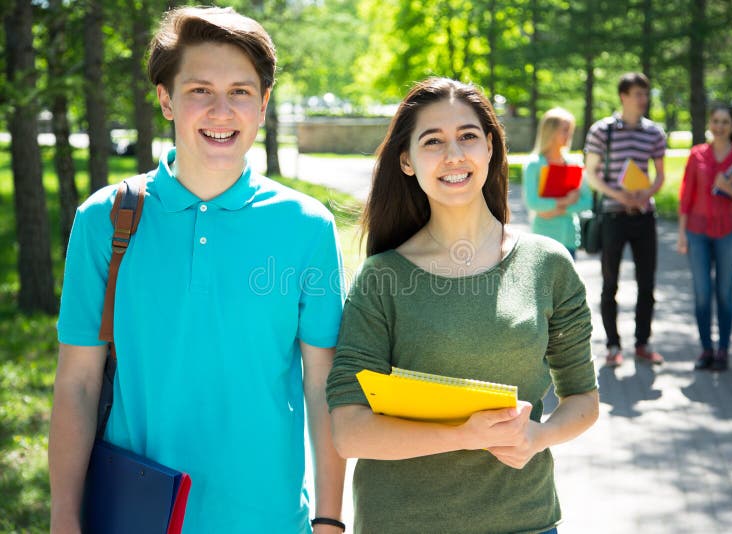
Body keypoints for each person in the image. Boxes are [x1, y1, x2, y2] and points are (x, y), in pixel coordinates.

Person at [49, 7, 346, 533]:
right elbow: (77, 382)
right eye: (200, 90)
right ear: (166, 99)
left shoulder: (308, 227)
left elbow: (322, 385)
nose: (221, 111)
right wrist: (64, 520)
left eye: (240, 92)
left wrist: (328, 520)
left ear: (263, 104)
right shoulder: (104, 220)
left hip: (271, 520)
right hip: (135, 518)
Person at [326, 77, 599, 534]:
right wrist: (463, 435)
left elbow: (583, 399)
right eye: (433, 141)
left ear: (491, 148)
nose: (454, 155)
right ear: (408, 162)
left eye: (468, 137)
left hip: (524, 521)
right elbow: (349, 431)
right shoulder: (381, 278)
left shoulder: (547, 264)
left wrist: (540, 436)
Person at [583, 72, 667, 368]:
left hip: (644, 217)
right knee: (610, 283)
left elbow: (660, 176)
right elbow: (590, 173)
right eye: (638, 94)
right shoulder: (601, 131)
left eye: (646, 94)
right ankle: (613, 345)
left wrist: (646, 194)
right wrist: (619, 195)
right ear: (623, 96)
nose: (643, 100)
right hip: (613, 217)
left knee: (647, 283)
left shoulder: (654, 133)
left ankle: (642, 343)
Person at [677, 103, 732, 372]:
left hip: (729, 232)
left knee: (724, 293)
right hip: (697, 232)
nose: (720, 126)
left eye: (725, 121)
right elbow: (685, 196)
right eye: (715, 120)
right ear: (710, 123)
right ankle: (706, 350)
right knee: (702, 293)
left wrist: (729, 189)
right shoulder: (697, 155)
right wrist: (681, 234)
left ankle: (723, 351)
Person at [523, 107, 592, 258]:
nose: (570, 134)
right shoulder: (534, 164)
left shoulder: (575, 163)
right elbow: (532, 202)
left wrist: (556, 210)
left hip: (570, 240)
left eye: (571, 130)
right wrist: (566, 201)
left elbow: (588, 201)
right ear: (551, 131)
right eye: (565, 130)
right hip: (542, 240)